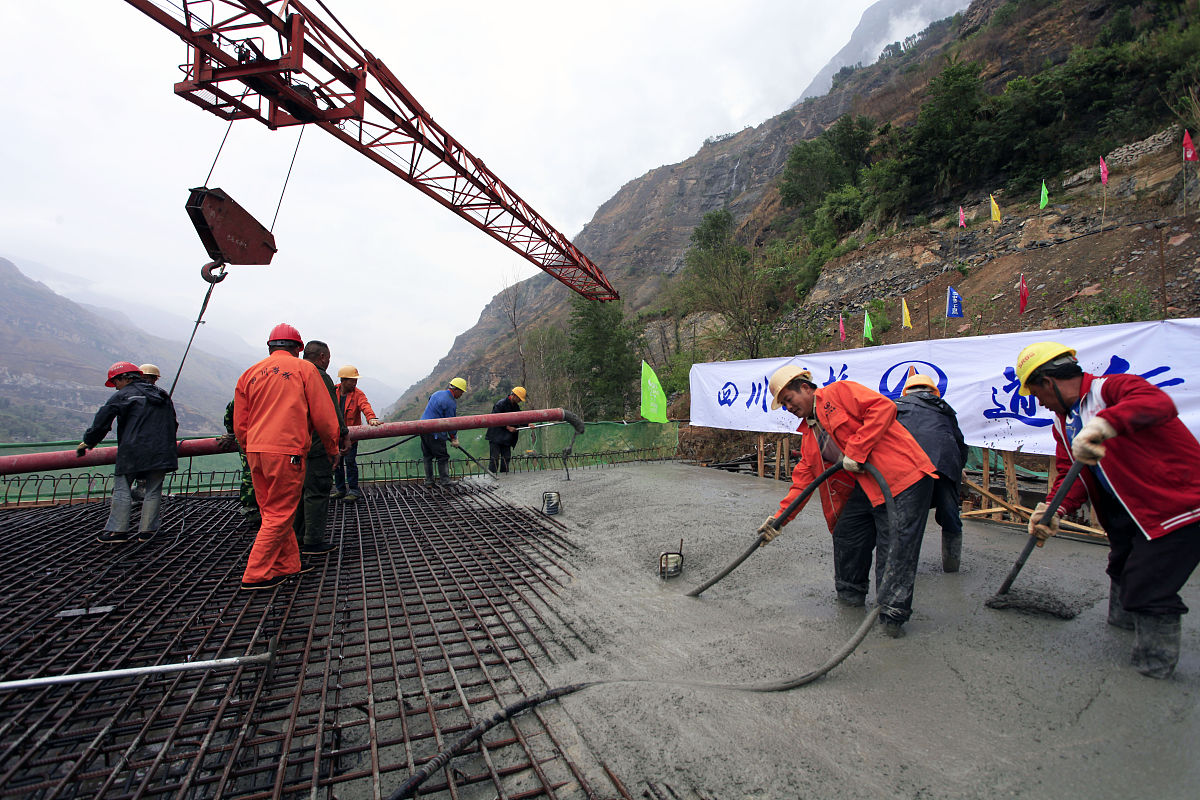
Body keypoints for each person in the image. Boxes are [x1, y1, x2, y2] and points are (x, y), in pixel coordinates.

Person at [1017, 341, 1200, 679]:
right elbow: (1073, 471)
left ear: (1048, 380)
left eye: (1035, 391)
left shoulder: (1111, 389)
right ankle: (1123, 631)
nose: (1037, 402)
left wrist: (1104, 425)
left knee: (1148, 586)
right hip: (1126, 514)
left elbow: (1157, 403)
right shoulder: (1063, 422)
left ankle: (1152, 672)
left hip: (1174, 504)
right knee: (1121, 567)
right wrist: (1054, 510)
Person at [761, 364, 937, 637]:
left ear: (805, 388)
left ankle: (891, 617)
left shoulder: (840, 393)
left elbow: (884, 408)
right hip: (867, 484)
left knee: (895, 548)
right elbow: (803, 481)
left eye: (789, 399)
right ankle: (850, 596)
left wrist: (856, 449)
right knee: (847, 533)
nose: (788, 407)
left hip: (903, 478)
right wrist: (780, 518)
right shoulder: (809, 435)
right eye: (783, 404)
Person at [233, 323, 342, 591]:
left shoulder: (250, 373)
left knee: (274, 510)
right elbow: (325, 416)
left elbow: (240, 422)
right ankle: (256, 573)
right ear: (298, 348)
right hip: (287, 451)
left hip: (256, 452)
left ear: (270, 347)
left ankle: (288, 564)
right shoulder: (305, 370)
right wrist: (332, 448)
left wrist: (252, 447)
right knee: (279, 514)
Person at [76, 361, 178, 544]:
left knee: (122, 488)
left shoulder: (123, 395)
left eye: (115, 382)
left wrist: (88, 442)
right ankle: (148, 531)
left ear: (124, 378)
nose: (115, 386)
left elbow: (102, 421)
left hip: (133, 450)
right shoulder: (162, 395)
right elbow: (173, 423)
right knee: (153, 490)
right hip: (162, 450)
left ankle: (117, 532)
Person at [895, 373, 969, 572]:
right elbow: (959, 442)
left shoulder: (897, 407)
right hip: (945, 466)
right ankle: (952, 565)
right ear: (932, 391)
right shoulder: (944, 409)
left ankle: (903, 568)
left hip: (911, 468)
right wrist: (959, 468)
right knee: (950, 515)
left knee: (908, 518)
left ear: (907, 391)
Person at [293, 341, 348, 554]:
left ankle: (297, 537)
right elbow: (329, 411)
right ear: (323, 357)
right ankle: (313, 540)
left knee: (299, 492)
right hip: (317, 445)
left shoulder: (293, 372)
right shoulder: (319, 376)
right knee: (317, 492)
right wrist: (342, 436)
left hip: (294, 445)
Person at [332, 365, 381, 501]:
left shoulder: (358, 394)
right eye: (352, 380)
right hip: (335, 436)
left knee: (350, 461)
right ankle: (340, 489)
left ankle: (354, 490)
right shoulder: (333, 391)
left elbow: (365, 405)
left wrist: (371, 418)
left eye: (355, 380)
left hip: (350, 437)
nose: (355, 383)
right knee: (337, 462)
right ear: (343, 380)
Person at [420, 377, 466, 487]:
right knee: (442, 457)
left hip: (422, 428)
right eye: (461, 392)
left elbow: (431, 402)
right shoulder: (450, 402)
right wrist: (454, 438)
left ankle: (429, 481)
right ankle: (445, 481)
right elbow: (450, 423)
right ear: (456, 390)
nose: (461, 395)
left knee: (427, 456)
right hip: (435, 432)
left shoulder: (437, 393)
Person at [222, 398, 260, 527]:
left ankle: (252, 509)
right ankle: (253, 510)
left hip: (248, 437)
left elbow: (230, 412)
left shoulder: (247, 390)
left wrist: (231, 432)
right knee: (254, 473)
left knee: (251, 474)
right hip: (258, 437)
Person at [485, 386, 527, 473]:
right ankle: (492, 477)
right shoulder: (500, 404)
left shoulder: (515, 407)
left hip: (507, 438)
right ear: (514, 395)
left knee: (506, 459)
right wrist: (508, 427)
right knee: (494, 460)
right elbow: (494, 419)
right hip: (496, 437)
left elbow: (519, 418)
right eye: (519, 398)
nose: (520, 401)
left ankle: (505, 478)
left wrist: (528, 424)